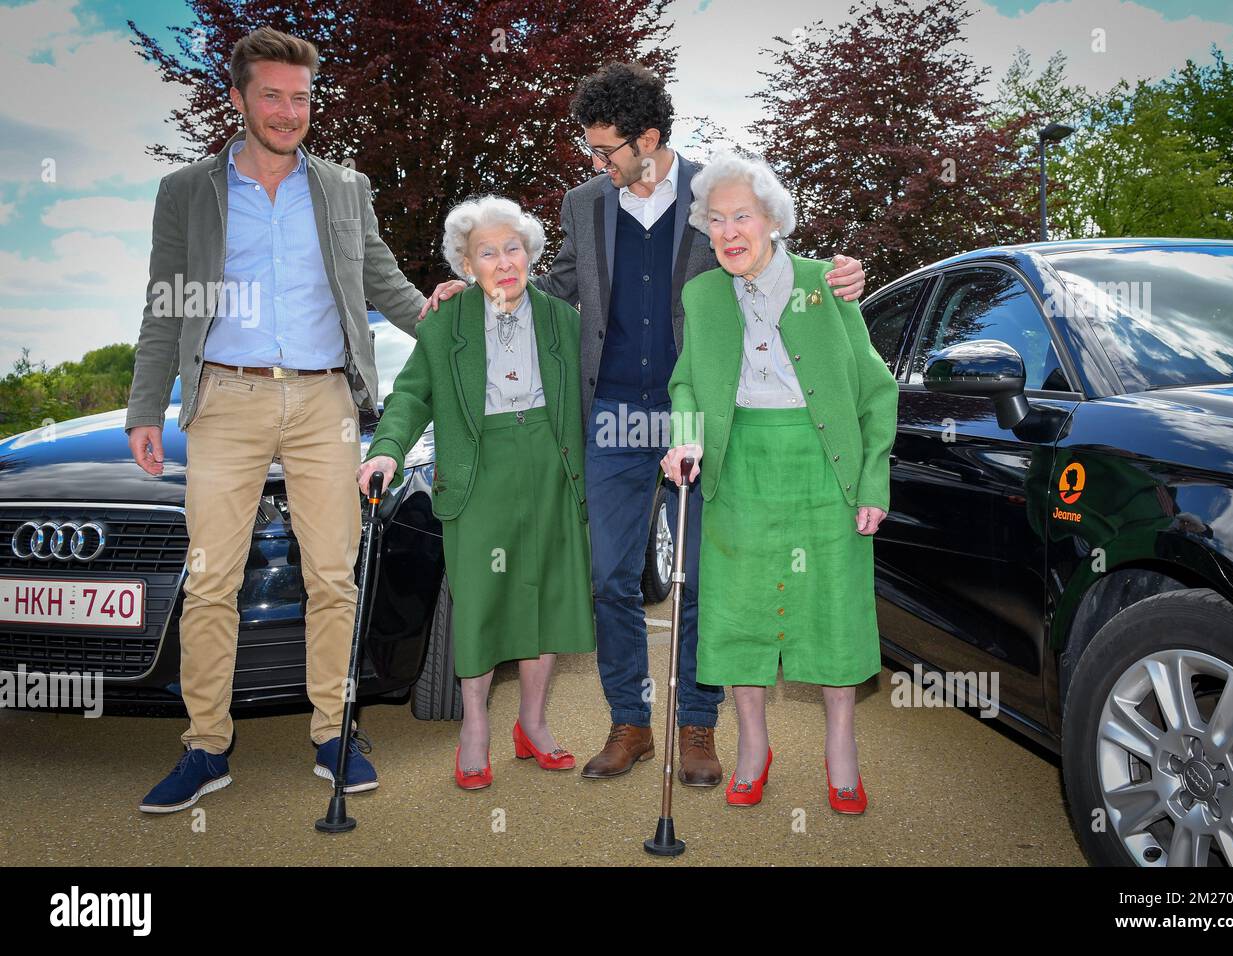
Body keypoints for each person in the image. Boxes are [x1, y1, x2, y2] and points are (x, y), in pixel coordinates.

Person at [424, 63, 867, 786]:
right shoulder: (583, 204)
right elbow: (562, 283)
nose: (597, 163)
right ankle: (629, 722)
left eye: (607, 150)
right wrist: (481, 282)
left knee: (700, 580)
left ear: (650, 139)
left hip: (701, 412)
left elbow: (764, 256)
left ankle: (697, 725)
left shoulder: (710, 197)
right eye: (592, 152)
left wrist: (840, 275)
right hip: (612, 415)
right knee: (608, 576)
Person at [125, 28, 431, 813]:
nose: (289, 111)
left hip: (327, 400)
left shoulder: (343, 186)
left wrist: (447, 324)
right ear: (238, 98)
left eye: (300, 97)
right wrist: (143, 406)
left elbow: (385, 281)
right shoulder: (187, 192)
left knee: (334, 574)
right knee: (210, 580)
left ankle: (333, 732)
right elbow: (166, 305)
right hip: (225, 400)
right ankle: (205, 748)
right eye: (272, 95)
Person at [661, 150, 899, 813]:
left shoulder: (828, 284)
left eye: (742, 215)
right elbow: (685, 381)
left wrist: (874, 481)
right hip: (739, 468)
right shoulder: (702, 294)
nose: (729, 231)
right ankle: (753, 747)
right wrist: (685, 436)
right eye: (716, 219)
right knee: (737, 613)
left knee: (835, 613)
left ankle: (841, 748)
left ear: (773, 220)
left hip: (827, 470)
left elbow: (878, 393)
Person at [359, 196, 595, 790]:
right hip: (477, 467)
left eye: (513, 247)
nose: (504, 261)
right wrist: (385, 449)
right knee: (482, 602)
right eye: (487, 252)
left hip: (550, 462)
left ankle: (533, 726)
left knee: (544, 602)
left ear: (531, 254)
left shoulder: (562, 318)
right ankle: (475, 729)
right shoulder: (445, 324)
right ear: (467, 264)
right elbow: (412, 395)